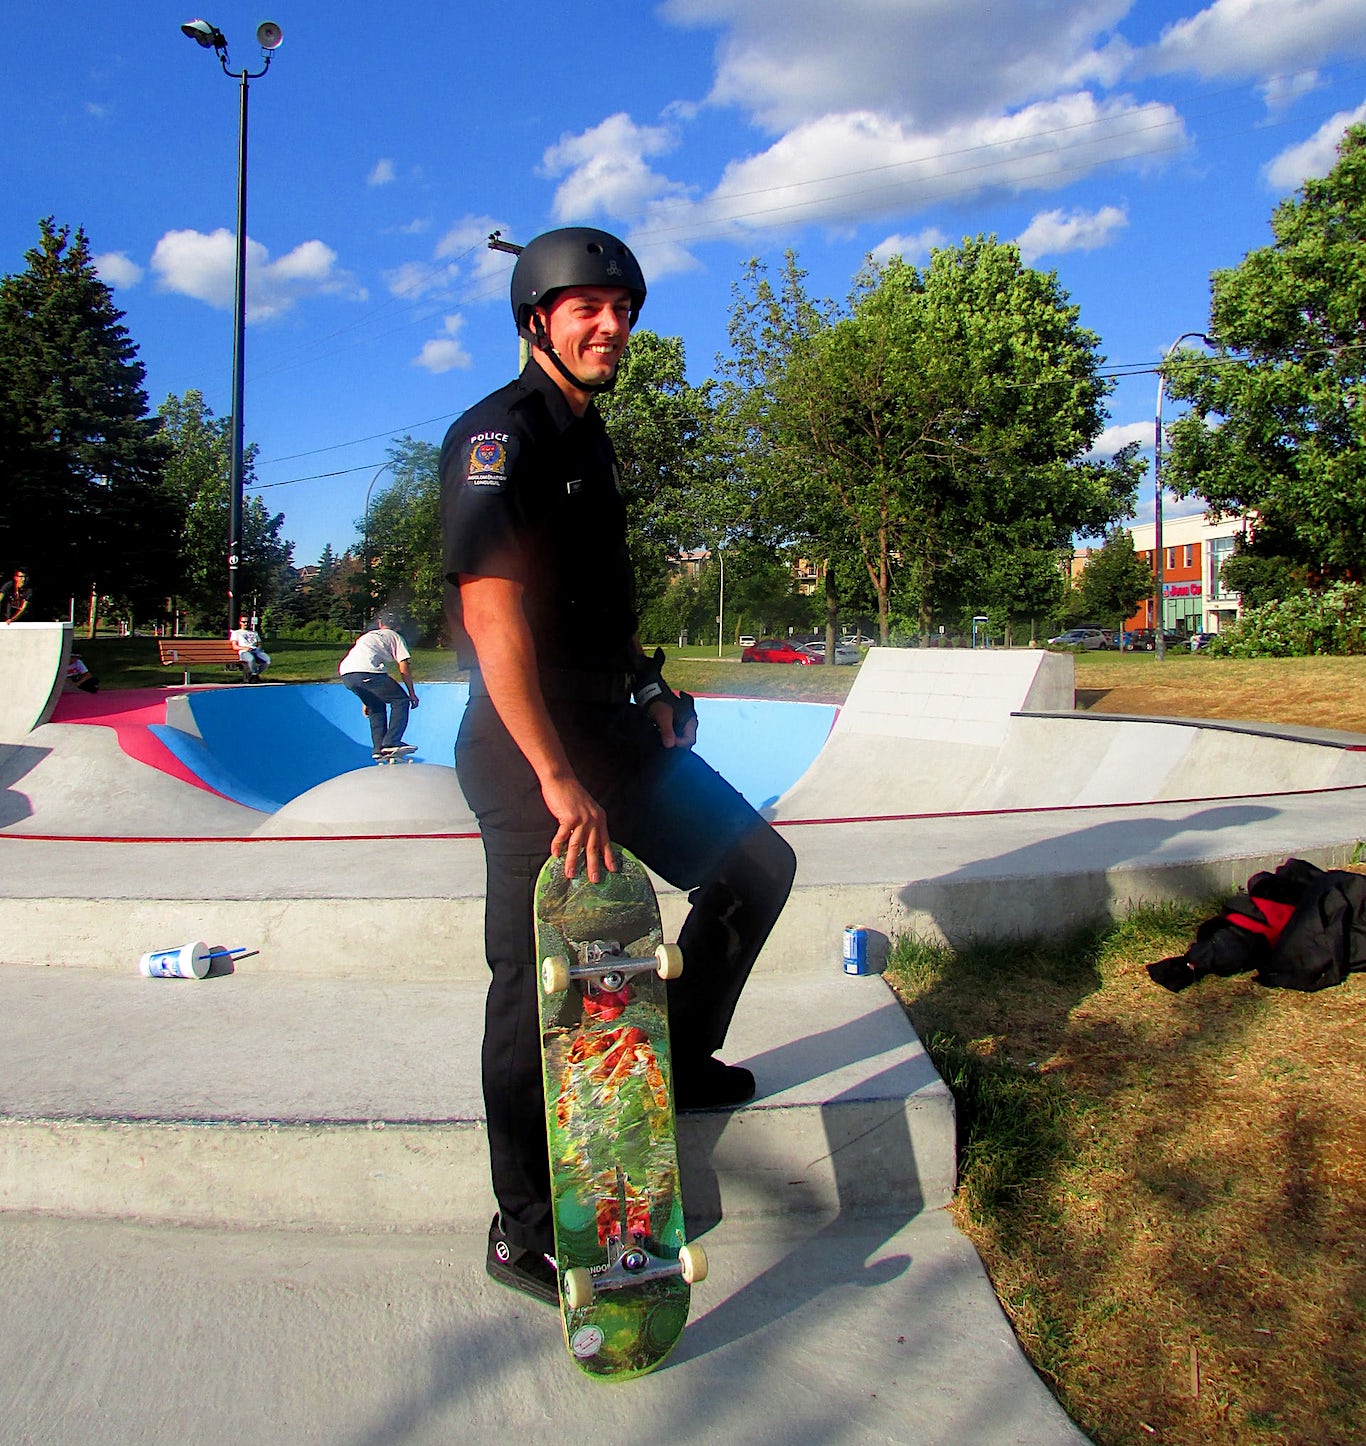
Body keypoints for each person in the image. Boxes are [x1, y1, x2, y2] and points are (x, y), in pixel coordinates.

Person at [439, 226, 796, 1306]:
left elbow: (592, 606)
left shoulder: (591, 443)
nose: (611, 326)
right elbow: (493, 614)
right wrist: (556, 776)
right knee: (536, 986)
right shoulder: (498, 436)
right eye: (587, 308)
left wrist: (648, 690)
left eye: (624, 309)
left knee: (756, 869)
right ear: (536, 320)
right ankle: (522, 1229)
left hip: (615, 731)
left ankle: (676, 1063)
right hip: (529, 752)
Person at [338, 610, 419, 758]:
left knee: (375, 706)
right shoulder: (395, 636)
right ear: (398, 626)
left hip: (346, 674)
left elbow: (361, 664)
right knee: (401, 700)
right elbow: (404, 666)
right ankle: (391, 742)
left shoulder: (367, 636)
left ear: (380, 624)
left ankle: (378, 748)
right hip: (368, 673)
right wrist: (411, 693)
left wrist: (366, 700)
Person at [229, 615, 270, 682]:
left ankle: (254, 674)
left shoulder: (254, 633)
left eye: (247, 622)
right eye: (244, 622)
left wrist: (259, 649)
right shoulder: (236, 633)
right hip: (244, 652)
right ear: (240, 622)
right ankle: (254, 675)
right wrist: (245, 648)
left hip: (255, 650)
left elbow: (259, 644)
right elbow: (235, 646)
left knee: (267, 660)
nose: (246, 623)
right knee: (251, 659)